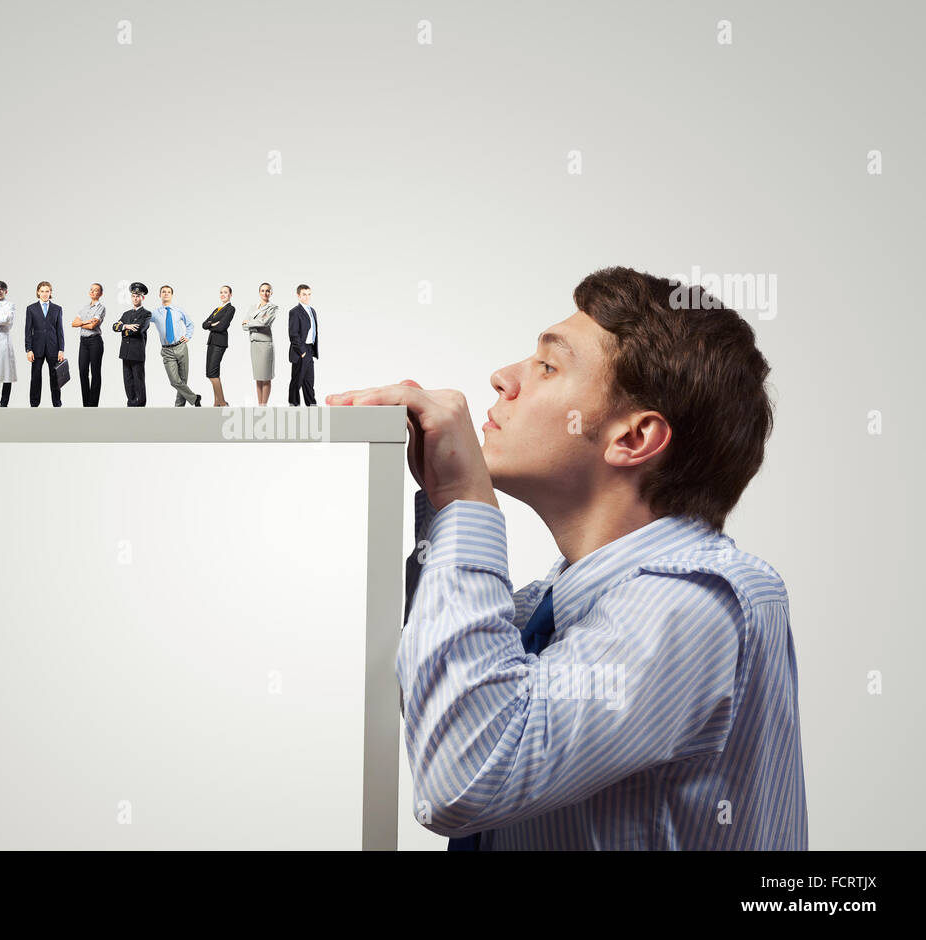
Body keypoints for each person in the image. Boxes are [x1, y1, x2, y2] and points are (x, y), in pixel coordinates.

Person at [328, 265, 806, 850]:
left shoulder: (697, 600)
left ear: (633, 438)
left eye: (547, 366)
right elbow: (443, 710)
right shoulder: (542, 612)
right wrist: (446, 508)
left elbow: (466, 775)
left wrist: (464, 502)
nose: (502, 378)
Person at [148, 285, 200, 407]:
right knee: (174, 381)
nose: (166, 294)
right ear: (159, 295)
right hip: (167, 350)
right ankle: (194, 398)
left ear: (172, 295)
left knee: (183, 379)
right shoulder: (155, 313)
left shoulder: (178, 311)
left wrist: (188, 336)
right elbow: (142, 320)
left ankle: (179, 407)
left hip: (181, 347)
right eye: (163, 292)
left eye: (168, 292)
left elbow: (190, 324)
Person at [112, 281, 152, 407]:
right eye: (133, 296)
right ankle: (131, 403)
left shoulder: (146, 314)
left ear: (142, 297)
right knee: (128, 380)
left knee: (138, 379)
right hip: (125, 352)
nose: (135, 298)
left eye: (138, 296)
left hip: (137, 352)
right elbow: (114, 326)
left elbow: (139, 329)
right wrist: (126, 326)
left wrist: (123, 329)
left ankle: (140, 404)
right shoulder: (126, 314)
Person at [25, 281, 65, 407]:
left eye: (47, 291)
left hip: (53, 347)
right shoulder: (31, 309)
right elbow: (27, 330)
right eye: (42, 291)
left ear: (50, 292)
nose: (44, 294)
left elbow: (60, 330)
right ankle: (34, 404)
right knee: (35, 377)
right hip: (36, 348)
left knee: (55, 377)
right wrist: (28, 349)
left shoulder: (57, 309)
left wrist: (61, 349)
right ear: (38, 292)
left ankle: (57, 404)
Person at [240, 282, 278, 405]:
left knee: (266, 376)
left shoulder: (273, 308)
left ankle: (264, 404)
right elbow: (243, 326)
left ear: (271, 292)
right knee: (258, 376)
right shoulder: (253, 307)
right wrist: (255, 323)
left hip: (265, 344)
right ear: (259, 292)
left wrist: (251, 323)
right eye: (262, 290)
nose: (265, 293)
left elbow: (264, 323)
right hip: (254, 344)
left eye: (267, 290)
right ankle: (259, 404)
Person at [70, 283, 106, 406]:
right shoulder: (84, 308)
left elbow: (92, 326)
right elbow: (73, 323)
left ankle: (93, 404)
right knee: (82, 371)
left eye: (96, 290)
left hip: (95, 341)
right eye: (91, 289)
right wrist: (85, 321)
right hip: (83, 342)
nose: (93, 292)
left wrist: (81, 323)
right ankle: (86, 404)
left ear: (100, 294)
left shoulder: (101, 308)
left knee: (95, 372)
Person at [202, 286, 235, 406]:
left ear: (230, 294)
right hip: (211, 342)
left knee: (212, 373)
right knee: (212, 373)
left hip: (220, 343)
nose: (223, 294)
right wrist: (212, 323)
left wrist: (211, 325)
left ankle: (222, 402)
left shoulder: (230, 309)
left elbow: (222, 327)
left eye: (225, 292)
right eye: (221, 292)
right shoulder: (217, 309)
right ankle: (216, 403)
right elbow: (204, 324)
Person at [287, 283, 319, 406]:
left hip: (310, 348)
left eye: (309, 294)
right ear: (298, 296)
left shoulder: (312, 311)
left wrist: (310, 350)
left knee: (309, 379)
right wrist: (302, 351)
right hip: (300, 349)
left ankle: (311, 403)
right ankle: (293, 403)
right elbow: (293, 334)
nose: (307, 297)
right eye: (304, 294)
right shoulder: (295, 312)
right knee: (297, 378)